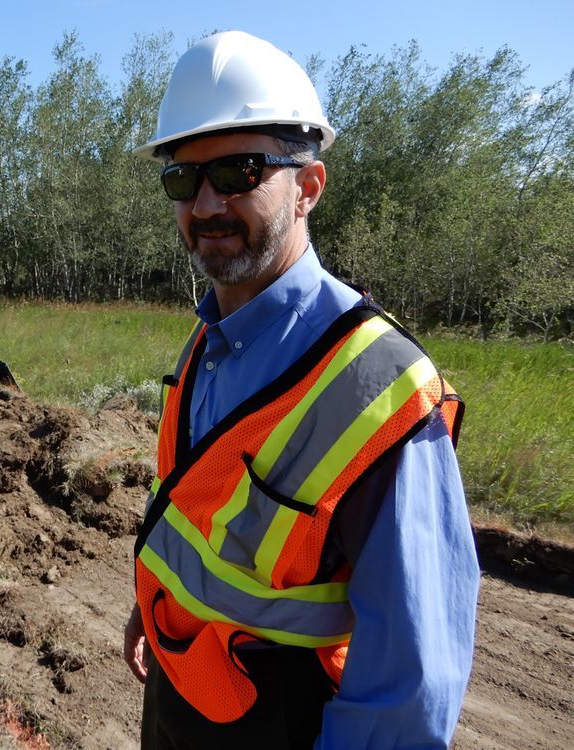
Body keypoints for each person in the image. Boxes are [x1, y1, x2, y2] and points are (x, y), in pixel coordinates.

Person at [122, 30, 479, 749]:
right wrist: (151, 603)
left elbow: (409, 689)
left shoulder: (378, 388)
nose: (206, 203)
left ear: (308, 186)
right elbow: (197, 509)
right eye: (182, 180)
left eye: (239, 171)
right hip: (179, 690)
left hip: (280, 724)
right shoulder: (211, 336)